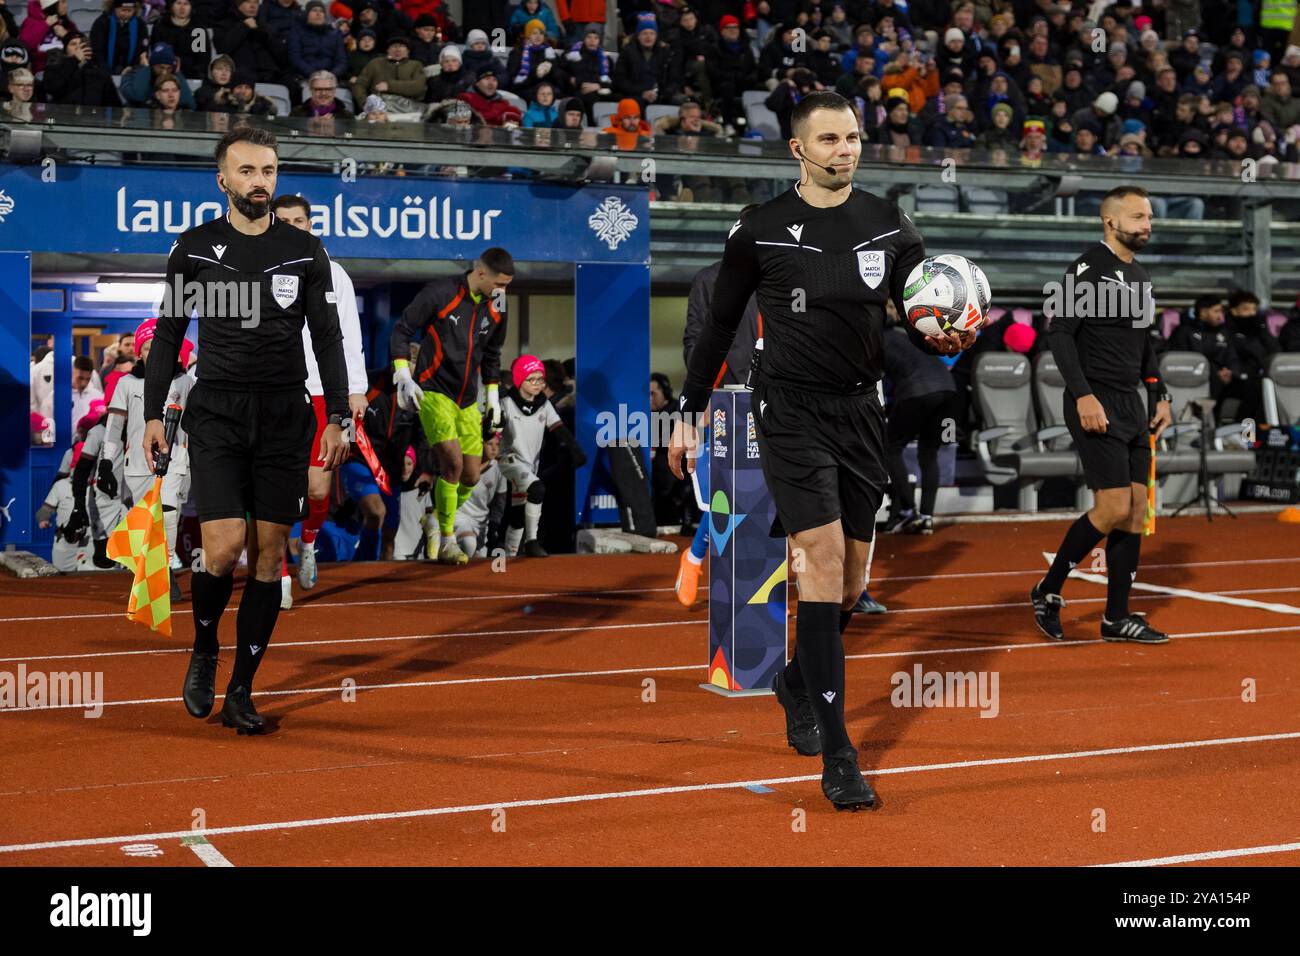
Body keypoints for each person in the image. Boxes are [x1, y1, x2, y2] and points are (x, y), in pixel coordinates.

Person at [667, 91, 977, 811]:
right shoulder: (760, 230)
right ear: (798, 150)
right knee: (822, 556)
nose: (847, 149)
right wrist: (689, 409)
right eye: (831, 139)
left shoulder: (890, 224)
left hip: (862, 411)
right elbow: (717, 331)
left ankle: (794, 682)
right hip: (789, 411)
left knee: (850, 580)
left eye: (854, 137)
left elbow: (921, 303)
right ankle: (839, 753)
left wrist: (952, 334)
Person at [146, 126, 350, 735]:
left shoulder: (305, 251)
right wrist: (154, 412)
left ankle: (241, 689)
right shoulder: (194, 247)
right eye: (247, 171)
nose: (259, 181)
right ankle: (204, 645)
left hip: (286, 414)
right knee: (223, 549)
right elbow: (167, 334)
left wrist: (336, 415)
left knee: (268, 558)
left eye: (269, 171)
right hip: (218, 412)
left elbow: (329, 340)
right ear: (223, 180)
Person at [1034, 185, 1173, 646]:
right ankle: (1048, 589)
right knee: (1112, 507)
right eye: (1137, 217)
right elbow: (1060, 334)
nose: (1147, 225)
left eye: (1149, 217)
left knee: (1134, 513)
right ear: (1110, 220)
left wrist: (1162, 396)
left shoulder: (1140, 274)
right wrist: (1082, 396)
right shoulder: (1087, 268)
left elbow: (1145, 343)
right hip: (1095, 403)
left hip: (1132, 405)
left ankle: (1116, 617)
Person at [388, 248, 513, 565]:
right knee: (453, 466)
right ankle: (446, 539)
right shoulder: (441, 292)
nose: (503, 292)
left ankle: (435, 518)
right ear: (481, 273)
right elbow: (402, 329)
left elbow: (493, 356)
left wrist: (494, 402)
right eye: (499, 284)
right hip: (433, 392)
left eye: (507, 285)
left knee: (472, 476)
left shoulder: (499, 305)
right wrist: (404, 376)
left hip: (469, 400)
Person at [270, 194, 369, 589]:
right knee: (273, 487)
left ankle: (308, 543)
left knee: (317, 487)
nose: (294, 227)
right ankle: (275, 574)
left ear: (311, 225)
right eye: (286, 221)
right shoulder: (259, 269)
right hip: (274, 393)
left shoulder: (334, 273)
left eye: (300, 221)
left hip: (322, 394)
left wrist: (356, 389)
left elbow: (349, 334)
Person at [107, 318, 196, 603]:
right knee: (146, 519)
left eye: (159, 348)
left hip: (176, 459)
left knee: (168, 513)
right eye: (147, 348)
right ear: (138, 353)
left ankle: (166, 566)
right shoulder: (126, 383)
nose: (153, 353)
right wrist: (106, 462)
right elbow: (113, 427)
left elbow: (197, 424)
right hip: (137, 463)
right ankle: (148, 571)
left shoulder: (185, 381)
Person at [498, 355, 585, 557]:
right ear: (520, 380)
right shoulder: (506, 403)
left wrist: (576, 450)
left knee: (518, 514)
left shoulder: (544, 405)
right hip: (510, 460)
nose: (537, 384)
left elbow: (559, 428)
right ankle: (532, 541)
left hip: (530, 464)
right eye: (531, 379)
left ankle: (510, 552)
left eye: (540, 379)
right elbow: (491, 430)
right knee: (537, 489)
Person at [881, 317, 957, 535]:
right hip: (947, 389)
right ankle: (926, 517)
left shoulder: (874, 340)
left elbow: (877, 380)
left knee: (890, 448)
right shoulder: (902, 335)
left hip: (918, 391)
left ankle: (906, 511)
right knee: (929, 452)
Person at [1168, 294, 1241, 416]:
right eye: (1216, 311)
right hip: (1194, 380)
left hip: (1224, 380)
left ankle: (1246, 431)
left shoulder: (1224, 332)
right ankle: (1209, 425)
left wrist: (1231, 372)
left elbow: (1232, 357)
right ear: (1203, 312)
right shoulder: (1184, 332)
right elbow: (1183, 362)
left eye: (1221, 311)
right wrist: (1215, 373)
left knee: (1252, 387)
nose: (1220, 316)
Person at [454, 420, 506, 558]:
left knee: (478, 561)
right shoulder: (465, 461)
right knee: (468, 543)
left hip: (482, 522)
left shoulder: (500, 469)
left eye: (497, 445)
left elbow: (499, 502)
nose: (494, 449)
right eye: (489, 444)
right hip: (460, 516)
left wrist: (494, 526)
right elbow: (469, 476)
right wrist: (486, 465)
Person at [89, 0, 148, 76]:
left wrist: (131, 69)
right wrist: (109, 72)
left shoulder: (140, 25)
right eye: (123, 10)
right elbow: (97, 51)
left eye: (129, 10)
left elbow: (142, 51)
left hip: (130, 71)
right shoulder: (102, 22)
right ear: (115, 8)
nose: (126, 13)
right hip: (104, 70)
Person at [71, 354, 103, 425]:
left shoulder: (98, 396)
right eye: (80, 378)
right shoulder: (57, 396)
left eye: (88, 379)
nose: (83, 383)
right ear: (72, 372)